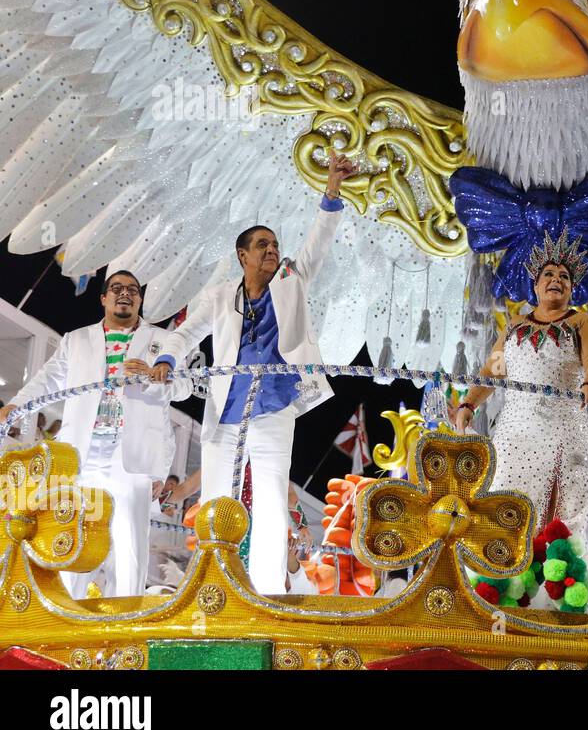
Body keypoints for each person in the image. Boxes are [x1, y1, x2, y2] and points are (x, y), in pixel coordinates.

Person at [149, 150, 355, 594]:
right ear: (242, 255)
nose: (272, 251)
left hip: (274, 407)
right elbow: (184, 334)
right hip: (226, 410)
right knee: (218, 501)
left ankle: (266, 594)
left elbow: (317, 245)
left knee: (270, 500)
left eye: (275, 244)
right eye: (262, 245)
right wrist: (167, 359)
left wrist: (332, 190)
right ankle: (214, 587)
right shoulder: (220, 296)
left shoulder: (290, 282)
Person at [0, 271, 191, 597]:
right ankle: (67, 623)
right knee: (73, 540)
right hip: (83, 457)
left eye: (132, 290)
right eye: (116, 288)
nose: (124, 294)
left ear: (140, 300)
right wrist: (15, 406)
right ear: (103, 298)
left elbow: (185, 388)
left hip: (132, 459)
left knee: (129, 550)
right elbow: (47, 380)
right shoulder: (76, 339)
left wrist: (155, 376)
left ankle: (125, 630)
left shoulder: (162, 341)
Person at [451, 230, 588, 550]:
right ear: (535, 286)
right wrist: (468, 404)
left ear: (572, 289)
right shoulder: (514, 326)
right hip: (515, 437)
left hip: (564, 435)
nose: (556, 279)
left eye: (564, 276)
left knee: (557, 526)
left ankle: (559, 590)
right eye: (548, 274)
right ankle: (503, 585)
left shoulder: (582, 322)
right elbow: (492, 373)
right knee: (507, 515)